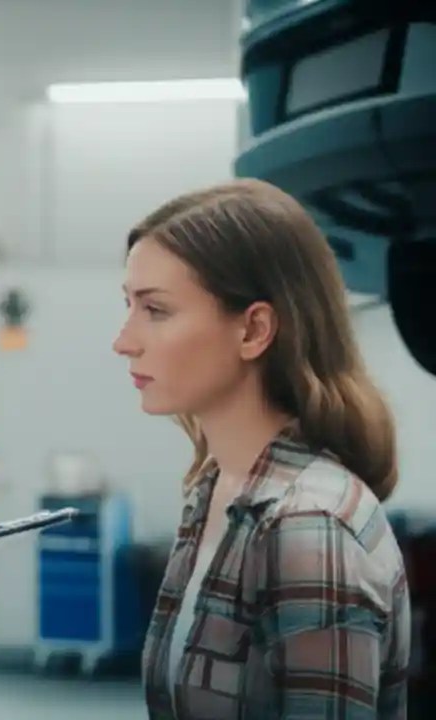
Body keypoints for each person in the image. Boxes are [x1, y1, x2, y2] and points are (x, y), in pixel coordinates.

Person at [114, 178, 411, 718]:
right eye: (129, 306)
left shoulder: (308, 524)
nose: (124, 340)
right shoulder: (214, 490)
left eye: (155, 310)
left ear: (253, 330)